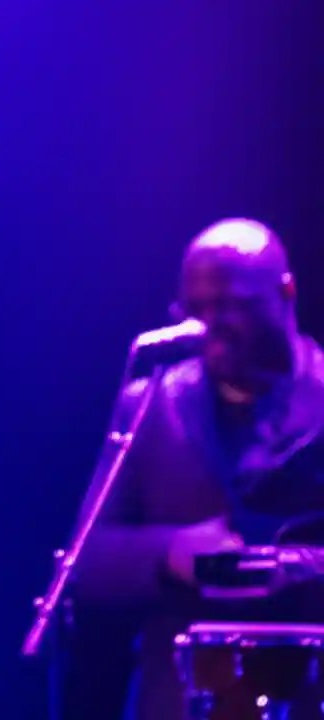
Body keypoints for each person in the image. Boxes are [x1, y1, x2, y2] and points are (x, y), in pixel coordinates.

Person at [71, 218, 324, 719]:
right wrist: (171, 552)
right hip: (176, 701)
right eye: (197, 310)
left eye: (234, 306)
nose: (212, 326)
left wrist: (293, 567)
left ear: (286, 291)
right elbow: (87, 561)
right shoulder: (150, 405)